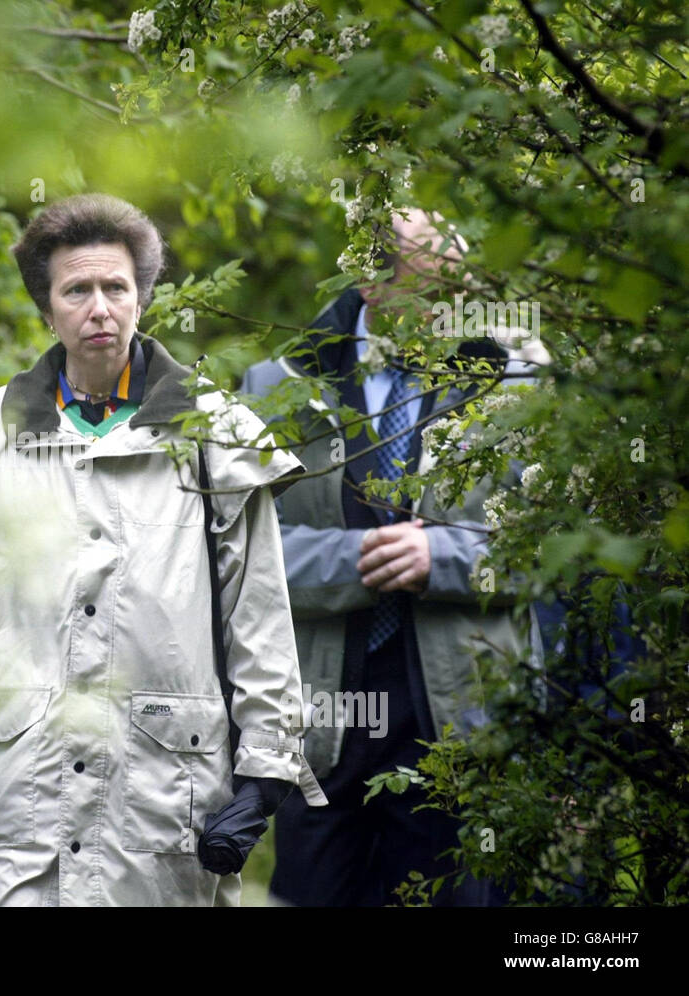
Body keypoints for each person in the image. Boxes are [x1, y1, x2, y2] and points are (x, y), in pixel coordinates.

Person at [0, 193, 325, 907]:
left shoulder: (214, 436)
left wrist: (266, 772)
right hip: (17, 797)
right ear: (47, 308)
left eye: (116, 288)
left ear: (142, 300)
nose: (98, 308)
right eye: (77, 290)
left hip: (162, 794)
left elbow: (258, 618)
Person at [239, 210, 526, 906]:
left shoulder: (513, 384)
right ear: (370, 284)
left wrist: (444, 555)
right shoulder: (275, 387)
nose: (451, 311)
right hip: (321, 720)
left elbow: (546, 550)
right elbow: (238, 558)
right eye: (430, 292)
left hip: (459, 718)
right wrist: (355, 558)